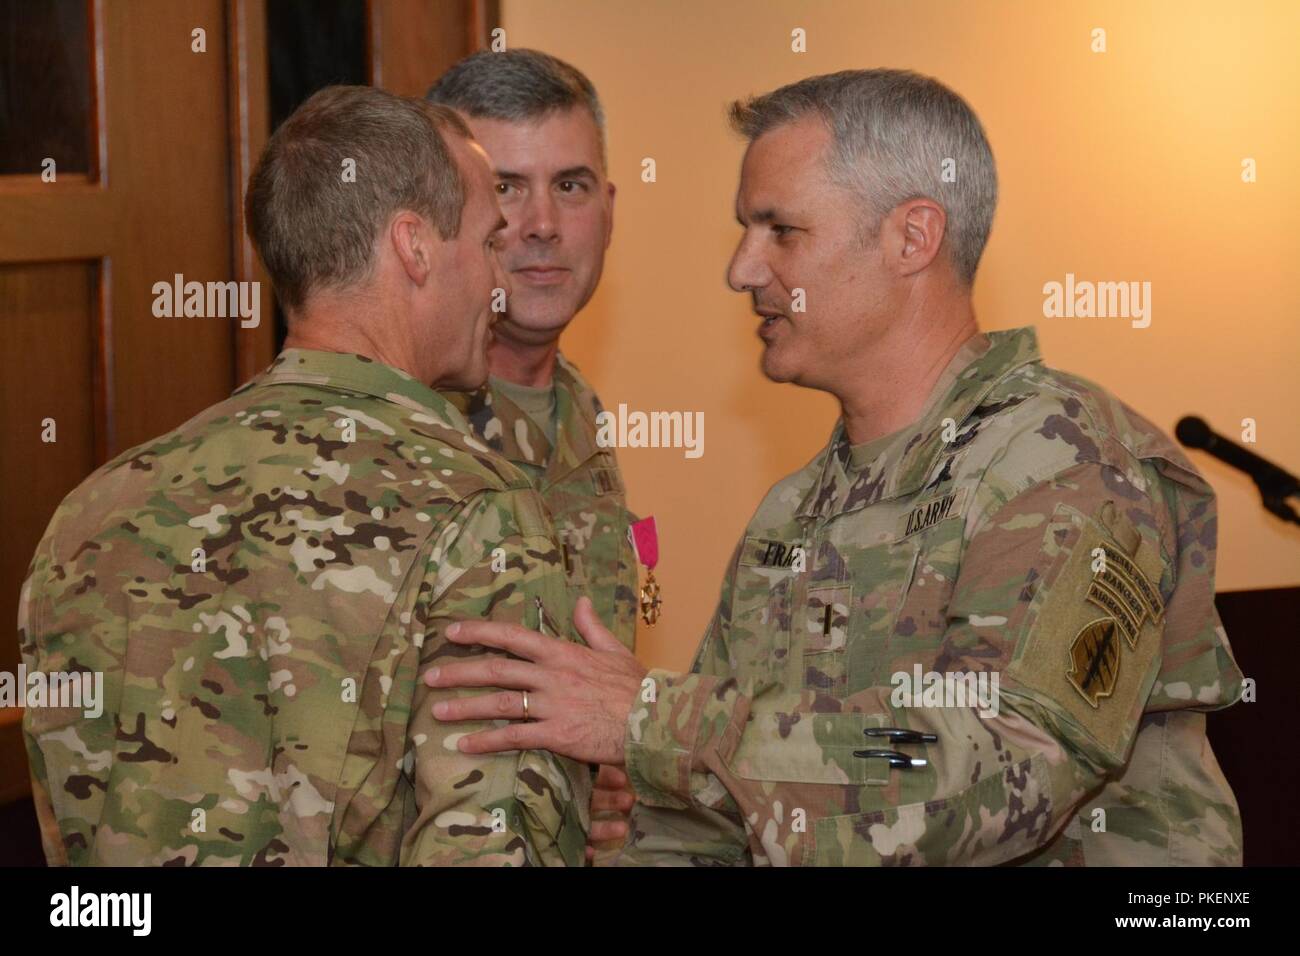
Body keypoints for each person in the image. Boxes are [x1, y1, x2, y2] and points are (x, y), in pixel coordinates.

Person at [424, 69, 1245, 866]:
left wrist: (649, 721)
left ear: (911, 238)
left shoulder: (1065, 463)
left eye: (781, 230)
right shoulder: (795, 512)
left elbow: (1004, 768)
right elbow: (702, 819)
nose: (741, 270)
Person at [18, 85, 589, 866]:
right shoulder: (480, 515)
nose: (499, 283)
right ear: (415, 248)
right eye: (488, 242)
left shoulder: (91, 510)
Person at [427, 49, 641, 858]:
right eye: (507, 188)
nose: (542, 223)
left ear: (609, 209)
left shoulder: (580, 413)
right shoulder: (398, 425)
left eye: (572, 186)